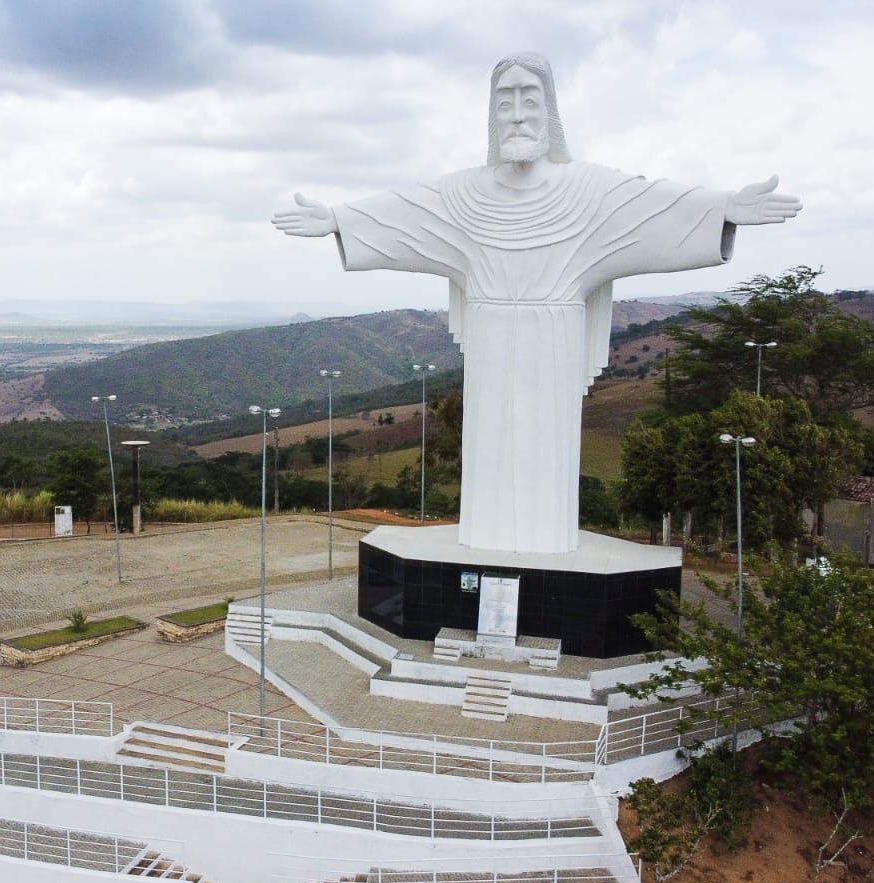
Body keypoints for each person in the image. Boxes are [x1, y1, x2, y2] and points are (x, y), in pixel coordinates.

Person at [273, 52, 800, 554]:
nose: (518, 115)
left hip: (554, 342)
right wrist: (338, 219)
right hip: (492, 345)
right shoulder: (463, 196)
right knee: (491, 455)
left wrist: (725, 208)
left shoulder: (588, 191)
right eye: (504, 101)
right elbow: (403, 213)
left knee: (544, 453)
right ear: (490, 115)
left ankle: (546, 543)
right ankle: (485, 542)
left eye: (529, 99)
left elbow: (656, 206)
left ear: (550, 111)